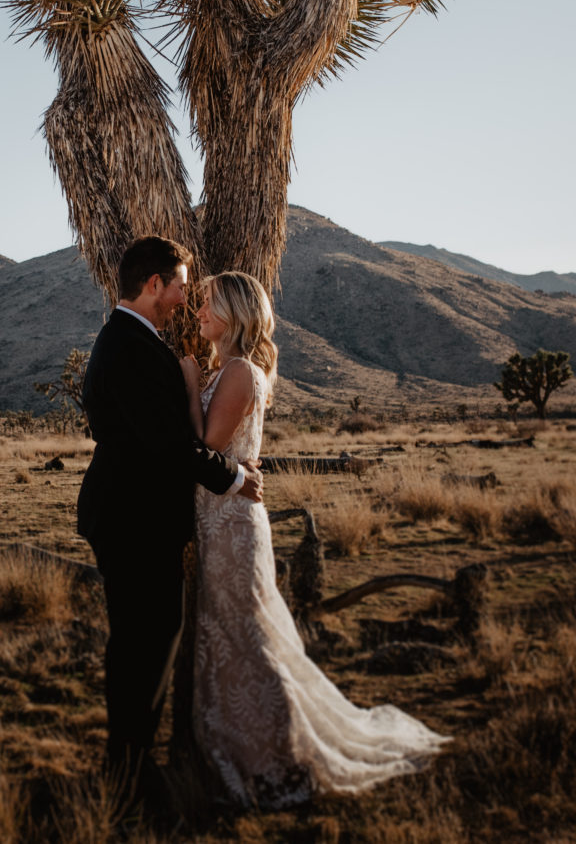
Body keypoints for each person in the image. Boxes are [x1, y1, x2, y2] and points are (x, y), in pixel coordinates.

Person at [181, 271, 448, 811]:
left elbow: (206, 444)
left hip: (232, 523)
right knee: (226, 635)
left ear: (234, 312)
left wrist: (187, 384)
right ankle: (241, 747)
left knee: (249, 639)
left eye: (208, 303)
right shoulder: (222, 368)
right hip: (216, 520)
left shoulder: (237, 371)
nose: (199, 312)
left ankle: (279, 753)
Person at [77, 237, 264, 806]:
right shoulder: (129, 346)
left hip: (133, 517)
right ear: (154, 284)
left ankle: (128, 763)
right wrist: (231, 478)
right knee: (147, 643)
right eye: (181, 284)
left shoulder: (129, 339)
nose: (186, 297)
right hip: (135, 522)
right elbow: (165, 443)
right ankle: (131, 773)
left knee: (142, 643)